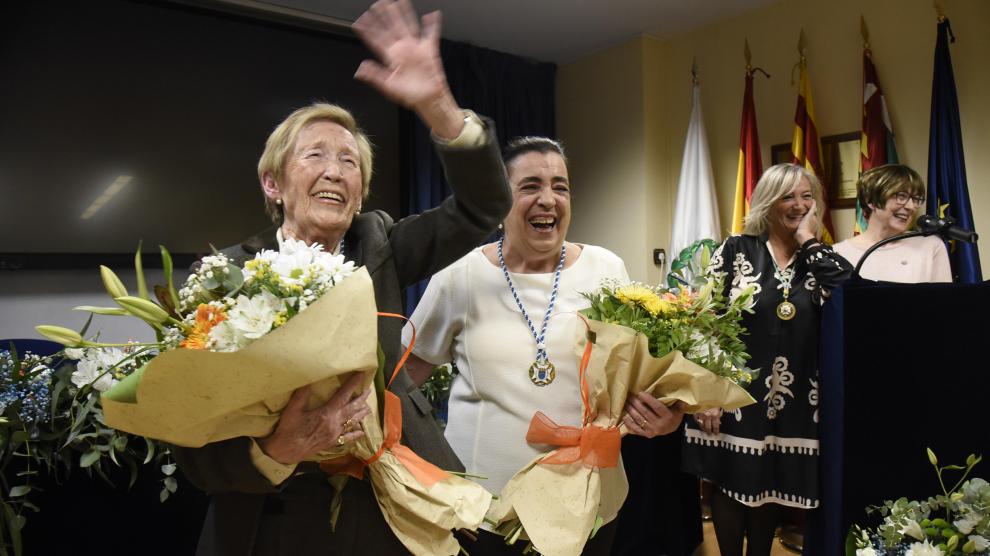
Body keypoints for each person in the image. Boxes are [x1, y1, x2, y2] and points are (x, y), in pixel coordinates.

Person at [173, 1, 513, 554]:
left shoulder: (381, 247)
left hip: (389, 507)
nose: (335, 170)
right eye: (315, 155)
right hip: (273, 518)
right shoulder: (221, 279)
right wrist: (277, 448)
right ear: (273, 184)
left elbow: (484, 206)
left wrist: (438, 107)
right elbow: (190, 440)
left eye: (350, 162)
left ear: (360, 192)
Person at [401, 136, 685, 555]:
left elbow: (644, 378)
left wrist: (668, 416)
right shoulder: (460, 276)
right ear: (500, 201)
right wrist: (421, 464)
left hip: (589, 508)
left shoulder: (607, 269)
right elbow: (400, 378)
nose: (548, 199)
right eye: (530, 186)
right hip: (486, 514)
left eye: (560, 186)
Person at [681, 163, 852, 556]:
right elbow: (705, 322)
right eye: (788, 196)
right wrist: (707, 393)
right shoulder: (738, 249)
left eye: (807, 196)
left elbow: (848, 291)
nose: (799, 204)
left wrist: (809, 241)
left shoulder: (820, 258)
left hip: (795, 400)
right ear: (768, 202)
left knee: (769, 489)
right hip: (735, 393)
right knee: (730, 484)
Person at [833, 164, 951, 282]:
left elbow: (943, 300)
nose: (911, 206)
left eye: (916, 199)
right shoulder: (838, 254)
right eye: (901, 196)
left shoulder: (930, 246)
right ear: (871, 201)